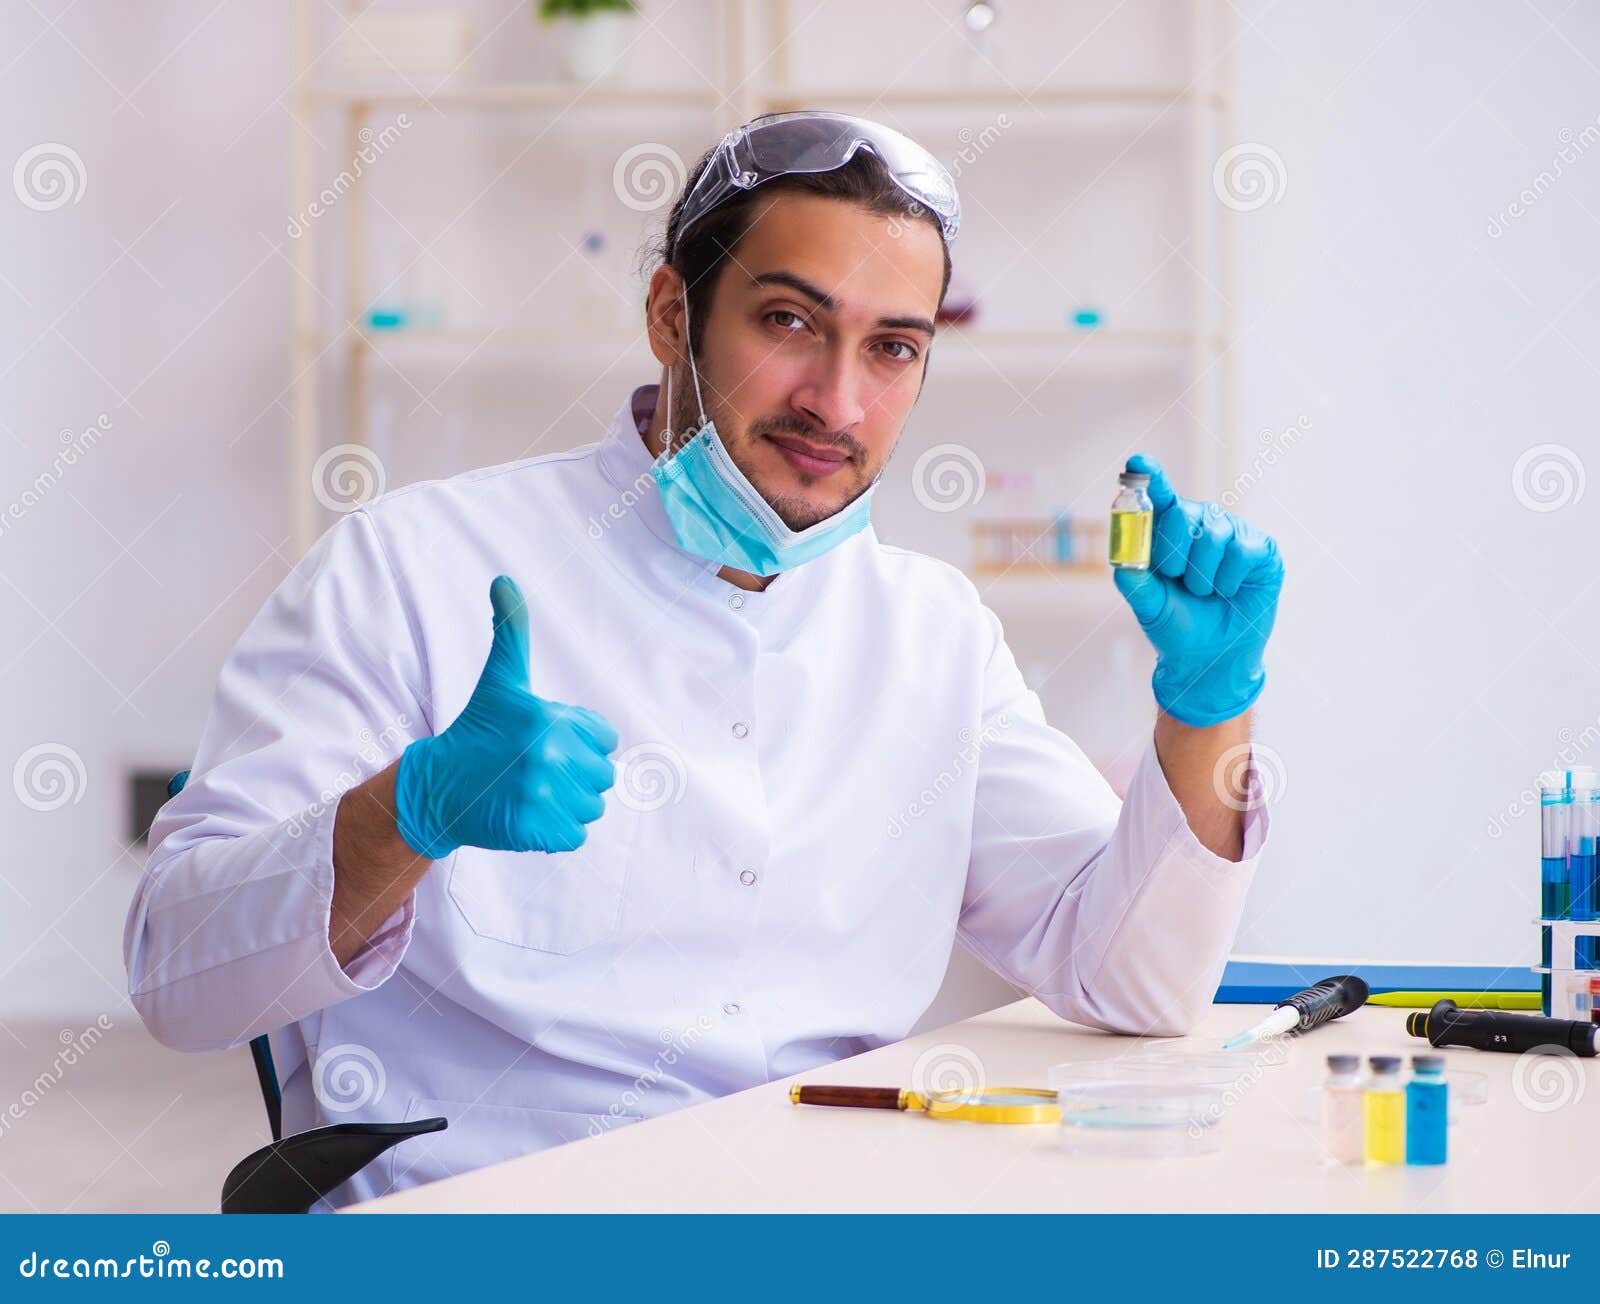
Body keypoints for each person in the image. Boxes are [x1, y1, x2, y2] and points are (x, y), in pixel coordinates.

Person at [125, 111, 1283, 1209]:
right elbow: (180, 974)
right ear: (672, 313)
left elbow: (1132, 980)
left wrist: (1203, 706)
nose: (836, 399)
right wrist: (407, 813)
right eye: (787, 322)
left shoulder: (932, 633)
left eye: (891, 348)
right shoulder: (411, 567)